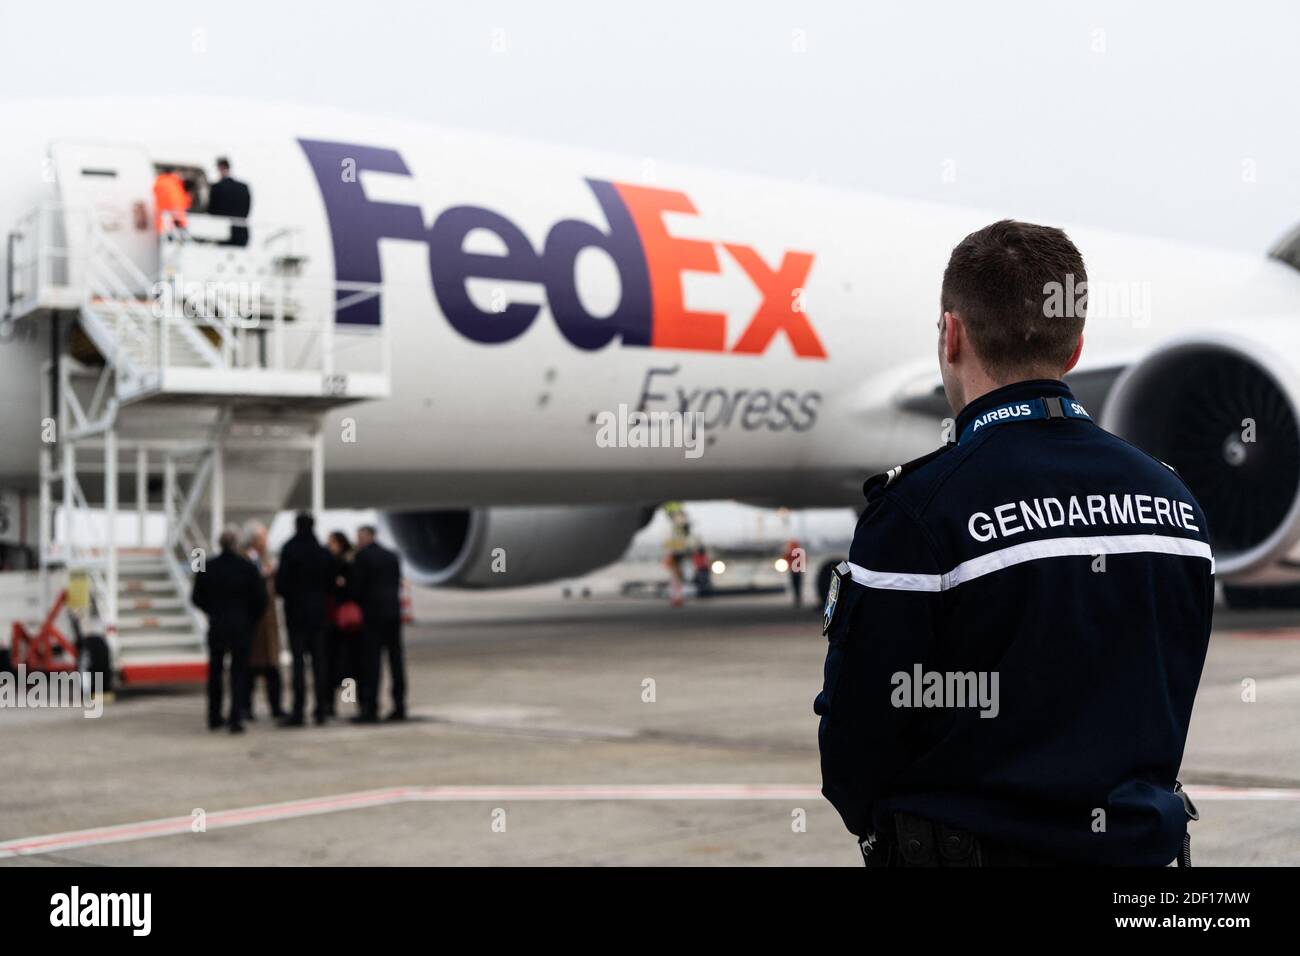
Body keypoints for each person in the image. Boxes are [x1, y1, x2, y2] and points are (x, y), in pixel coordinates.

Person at [816, 220, 1214, 867]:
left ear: (951, 334)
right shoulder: (1174, 505)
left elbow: (857, 742)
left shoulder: (918, 512)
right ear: (1076, 345)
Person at [191, 527, 267, 734]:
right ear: (236, 545)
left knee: (215, 671)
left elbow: (196, 597)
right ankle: (236, 717)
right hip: (241, 626)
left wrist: (212, 611)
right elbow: (261, 600)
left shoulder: (207, 566)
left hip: (217, 624)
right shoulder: (248, 567)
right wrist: (249, 620)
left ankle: (214, 716)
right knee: (239, 672)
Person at [274, 513, 335, 726]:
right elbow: (331, 584)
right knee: (320, 664)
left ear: (296, 526)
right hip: (319, 615)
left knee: (298, 665)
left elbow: (280, 586)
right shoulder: (322, 552)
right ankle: (321, 711)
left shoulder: (289, 550)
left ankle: (298, 711)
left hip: (296, 614)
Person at [351, 525, 406, 723]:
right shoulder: (392, 556)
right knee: (396, 661)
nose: (357, 541)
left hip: (373, 615)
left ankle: (371, 708)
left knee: (371, 664)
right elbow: (398, 581)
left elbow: (356, 588)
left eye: (358, 537)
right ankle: (400, 706)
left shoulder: (362, 557)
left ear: (366, 537)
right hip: (393, 613)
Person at [240, 521, 284, 722]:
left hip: (268, 622)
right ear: (253, 540)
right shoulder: (244, 560)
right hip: (252, 622)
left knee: (272, 668)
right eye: (263, 537)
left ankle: (276, 706)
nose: (266, 541)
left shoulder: (267, 558)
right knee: (249, 669)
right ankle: (246, 707)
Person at [326, 530, 362, 697]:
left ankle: (347, 698)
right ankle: (332, 703)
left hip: (344, 620)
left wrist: (341, 585)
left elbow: (354, 590)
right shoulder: (332, 562)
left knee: (347, 664)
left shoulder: (347, 563)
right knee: (334, 662)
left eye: (332, 543)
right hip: (335, 620)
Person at [207, 157, 251, 247]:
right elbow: (247, 209)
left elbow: (211, 209)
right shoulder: (243, 187)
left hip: (221, 233)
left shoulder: (215, 188)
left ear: (219, 168)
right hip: (241, 233)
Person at [152, 167, 191, 236]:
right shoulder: (174, 184)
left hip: (161, 223)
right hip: (174, 223)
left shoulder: (159, 182)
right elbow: (178, 203)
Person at [782, 538, 804, 608]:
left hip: (795, 571)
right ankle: (798, 599)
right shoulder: (798, 552)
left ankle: (797, 599)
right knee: (797, 586)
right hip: (797, 571)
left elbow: (785, 558)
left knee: (796, 586)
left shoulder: (792, 552)